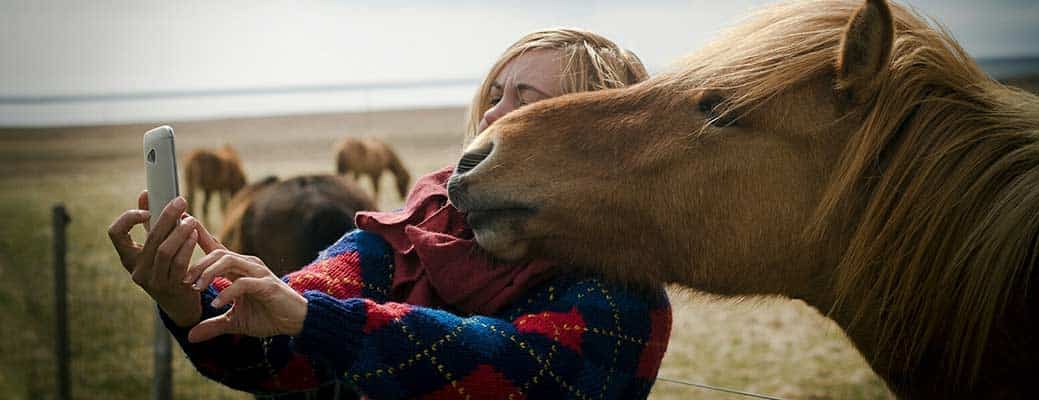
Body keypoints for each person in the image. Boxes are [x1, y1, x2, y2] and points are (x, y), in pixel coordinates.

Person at [108, 28, 671, 399]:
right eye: (495, 94)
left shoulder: (622, 296)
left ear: (600, 137)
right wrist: (192, 304)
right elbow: (279, 339)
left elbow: (524, 374)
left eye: (529, 100)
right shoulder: (413, 234)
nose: (497, 113)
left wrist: (319, 321)